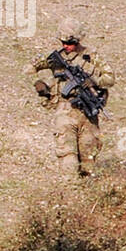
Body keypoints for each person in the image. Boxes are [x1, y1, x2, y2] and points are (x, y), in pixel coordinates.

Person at [29, 27, 114, 177]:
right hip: (65, 111)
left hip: (88, 115)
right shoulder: (55, 57)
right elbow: (29, 68)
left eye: (70, 43)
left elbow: (110, 78)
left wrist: (94, 81)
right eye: (63, 42)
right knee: (68, 159)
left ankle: (85, 196)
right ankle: (69, 194)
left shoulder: (92, 56)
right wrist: (37, 82)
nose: (65, 46)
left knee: (88, 162)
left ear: (78, 41)